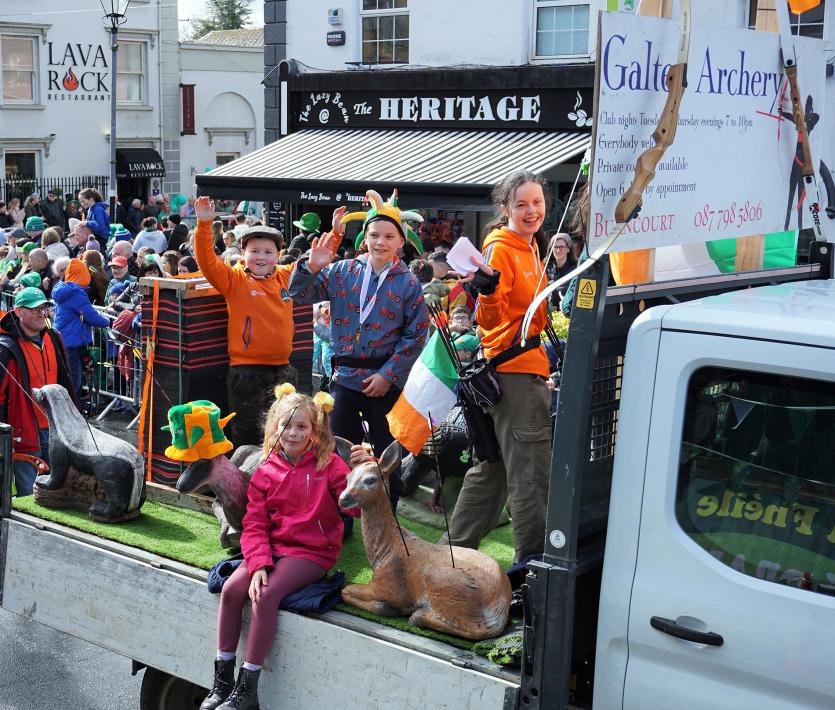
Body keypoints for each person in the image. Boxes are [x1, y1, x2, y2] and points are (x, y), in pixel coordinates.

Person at [200, 388, 358, 710]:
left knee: (265, 594)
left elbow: (354, 507)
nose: (294, 432)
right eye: (287, 425)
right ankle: (222, 682)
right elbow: (254, 525)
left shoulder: (331, 465)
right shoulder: (266, 470)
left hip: (312, 553)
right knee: (231, 589)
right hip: (273, 548)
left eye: (302, 426)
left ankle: (247, 690)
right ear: (275, 428)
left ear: (314, 430)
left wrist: (365, 472)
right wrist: (258, 564)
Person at [289, 189, 429, 512]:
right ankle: (344, 518)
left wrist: (387, 375)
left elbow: (416, 335)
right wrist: (309, 267)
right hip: (344, 378)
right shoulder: (342, 271)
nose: (380, 242)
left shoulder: (407, 283)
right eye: (374, 235)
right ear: (364, 238)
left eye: (388, 236)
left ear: (400, 242)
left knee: (387, 452)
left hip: (383, 381)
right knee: (338, 449)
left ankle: (387, 516)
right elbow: (297, 294)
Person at [443, 170, 553, 563]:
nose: (531, 210)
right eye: (522, 203)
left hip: (514, 371)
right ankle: (530, 574)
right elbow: (491, 318)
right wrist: (485, 290)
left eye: (537, 202)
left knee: (492, 473)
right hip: (515, 374)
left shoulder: (529, 246)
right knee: (529, 478)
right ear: (505, 207)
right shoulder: (503, 248)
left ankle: (447, 563)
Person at [193, 196, 301, 447]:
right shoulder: (234, 280)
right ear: (243, 253)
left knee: (286, 434)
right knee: (248, 434)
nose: (261, 257)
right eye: (254, 251)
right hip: (246, 371)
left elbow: (314, 264)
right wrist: (204, 225)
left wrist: (336, 235)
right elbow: (207, 262)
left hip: (284, 370)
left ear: (278, 254)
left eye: (267, 251)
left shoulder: (287, 276)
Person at [0, 287, 76, 496]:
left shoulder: (53, 337)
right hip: (25, 431)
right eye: (34, 309)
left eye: (44, 308)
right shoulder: (6, 347)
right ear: (18, 312)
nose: (41, 313)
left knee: (57, 490)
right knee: (30, 495)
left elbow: (66, 381)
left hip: (57, 426)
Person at [52, 258, 111, 400]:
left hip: (65, 341)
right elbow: (90, 315)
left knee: (69, 379)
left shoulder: (64, 288)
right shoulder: (76, 292)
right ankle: (73, 413)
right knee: (74, 382)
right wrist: (107, 321)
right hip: (72, 344)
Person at [545, 232, 577, 309]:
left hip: (568, 310)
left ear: (568, 249)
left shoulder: (576, 268)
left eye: (562, 247)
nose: (558, 250)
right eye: (555, 247)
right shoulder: (545, 266)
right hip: (549, 311)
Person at [312, 302, 332, 379]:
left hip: (328, 333)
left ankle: (329, 380)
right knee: (313, 355)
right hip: (317, 330)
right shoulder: (317, 298)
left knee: (326, 358)